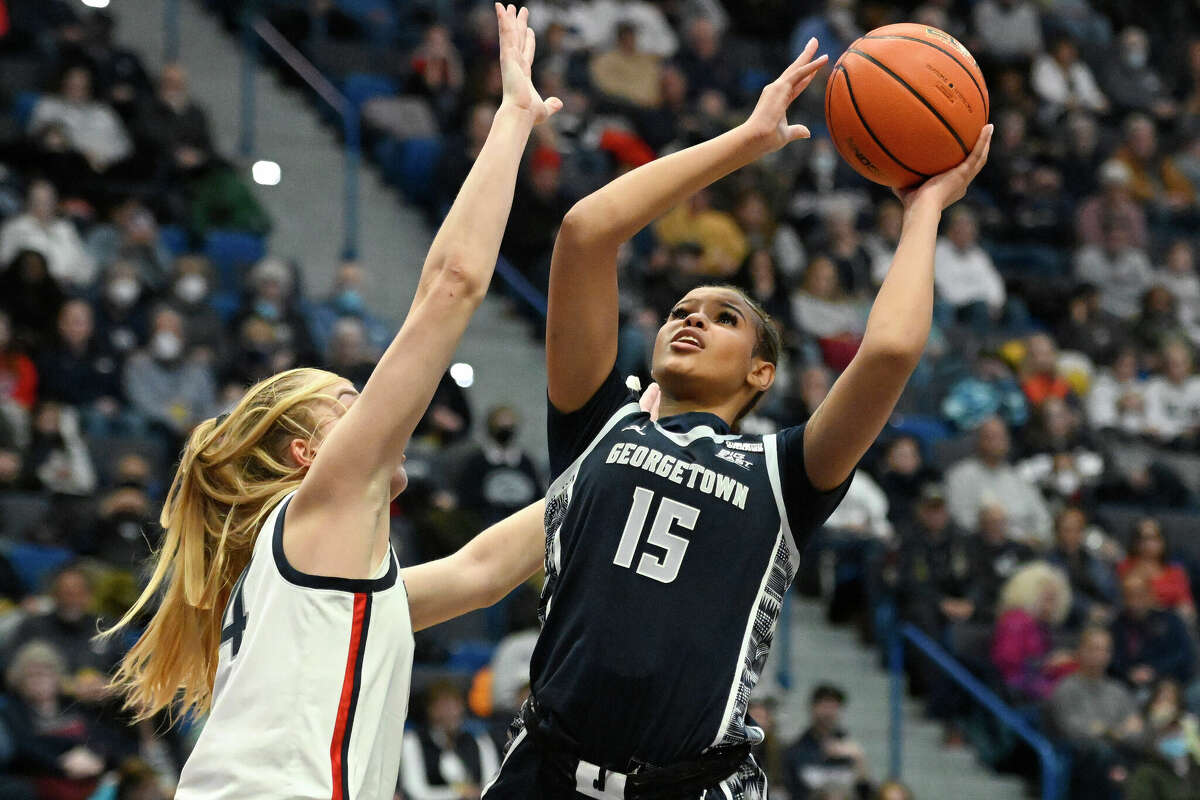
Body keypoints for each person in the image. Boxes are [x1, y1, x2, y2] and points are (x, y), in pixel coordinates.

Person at [481, 34, 993, 797]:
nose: (690, 318)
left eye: (724, 317)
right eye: (682, 309)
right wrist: (746, 142)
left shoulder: (784, 474)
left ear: (762, 371)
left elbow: (887, 352)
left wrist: (925, 209)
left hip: (688, 785)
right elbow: (588, 232)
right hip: (545, 771)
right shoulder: (603, 428)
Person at [100, 8, 565, 800]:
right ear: (304, 455)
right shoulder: (317, 514)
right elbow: (450, 286)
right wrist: (513, 119)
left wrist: (634, 447)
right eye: (346, 405)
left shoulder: (337, 577)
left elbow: (484, 570)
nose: (373, 415)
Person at [400, 681, 500, 800]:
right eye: (443, 706)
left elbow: (492, 785)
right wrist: (459, 793)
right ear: (430, 710)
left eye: (456, 705)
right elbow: (415, 791)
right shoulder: (412, 741)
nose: (451, 711)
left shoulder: (479, 741)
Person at [782, 684, 873, 800]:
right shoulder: (794, 751)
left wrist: (859, 759)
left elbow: (865, 793)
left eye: (833, 706)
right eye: (824, 705)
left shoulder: (851, 750)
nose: (828, 712)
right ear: (812, 708)